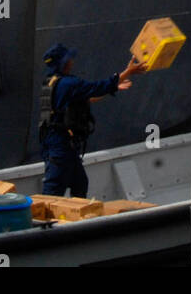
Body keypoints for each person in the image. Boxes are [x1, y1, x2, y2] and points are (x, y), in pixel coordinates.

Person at [38, 43, 147, 198]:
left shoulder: (50, 83)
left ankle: (77, 216)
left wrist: (113, 87)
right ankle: (44, 221)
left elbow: (88, 97)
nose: (72, 62)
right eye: (69, 59)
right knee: (52, 192)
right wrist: (128, 72)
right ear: (63, 63)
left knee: (80, 183)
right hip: (59, 146)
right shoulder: (68, 84)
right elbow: (98, 87)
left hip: (56, 143)